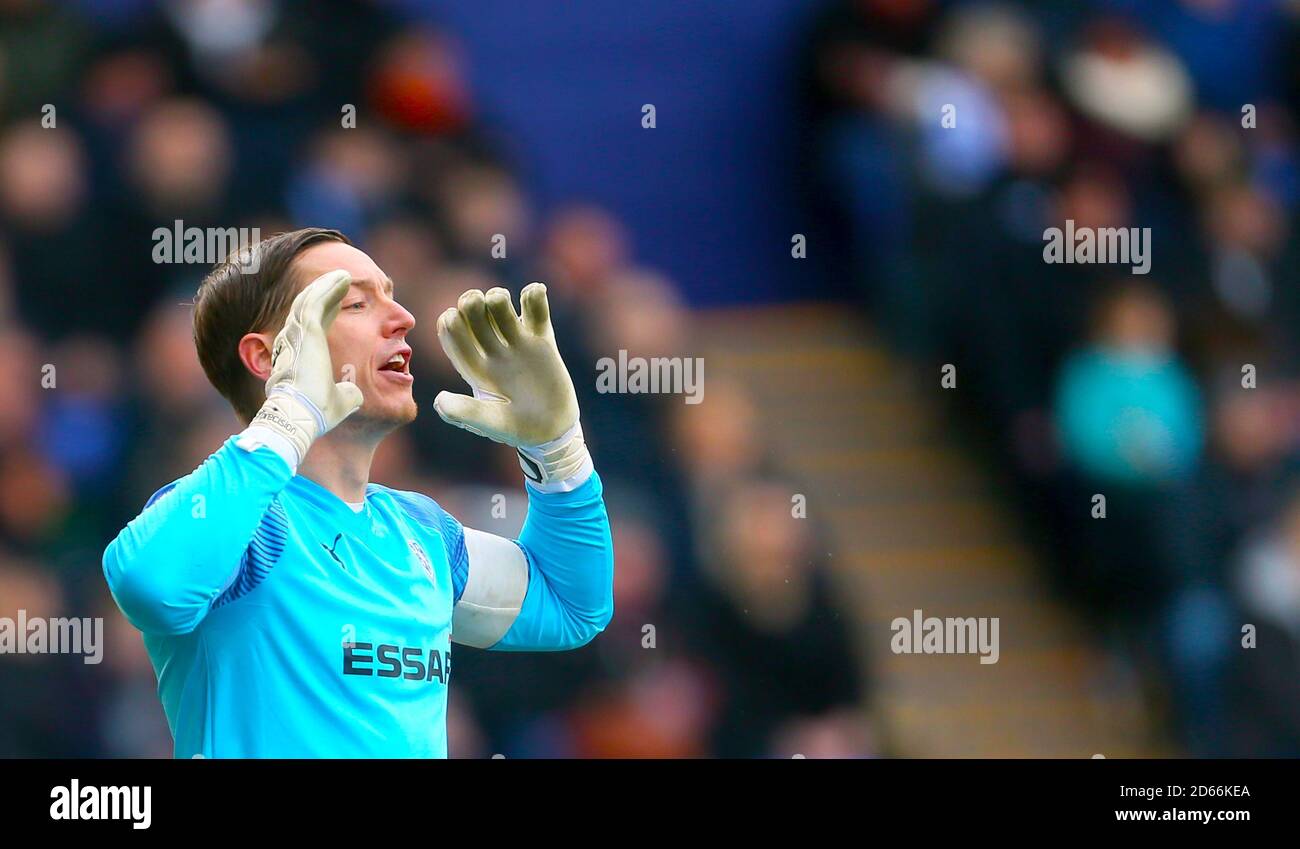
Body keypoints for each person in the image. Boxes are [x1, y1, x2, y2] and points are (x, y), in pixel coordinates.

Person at [102, 227, 614, 757]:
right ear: (267, 357)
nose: (404, 318)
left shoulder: (420, 531)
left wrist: (558, 451)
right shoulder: (249, 525)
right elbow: (151, 587)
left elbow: (570, 605)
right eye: (354, 303)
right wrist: (288, 416)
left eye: (391, 295)